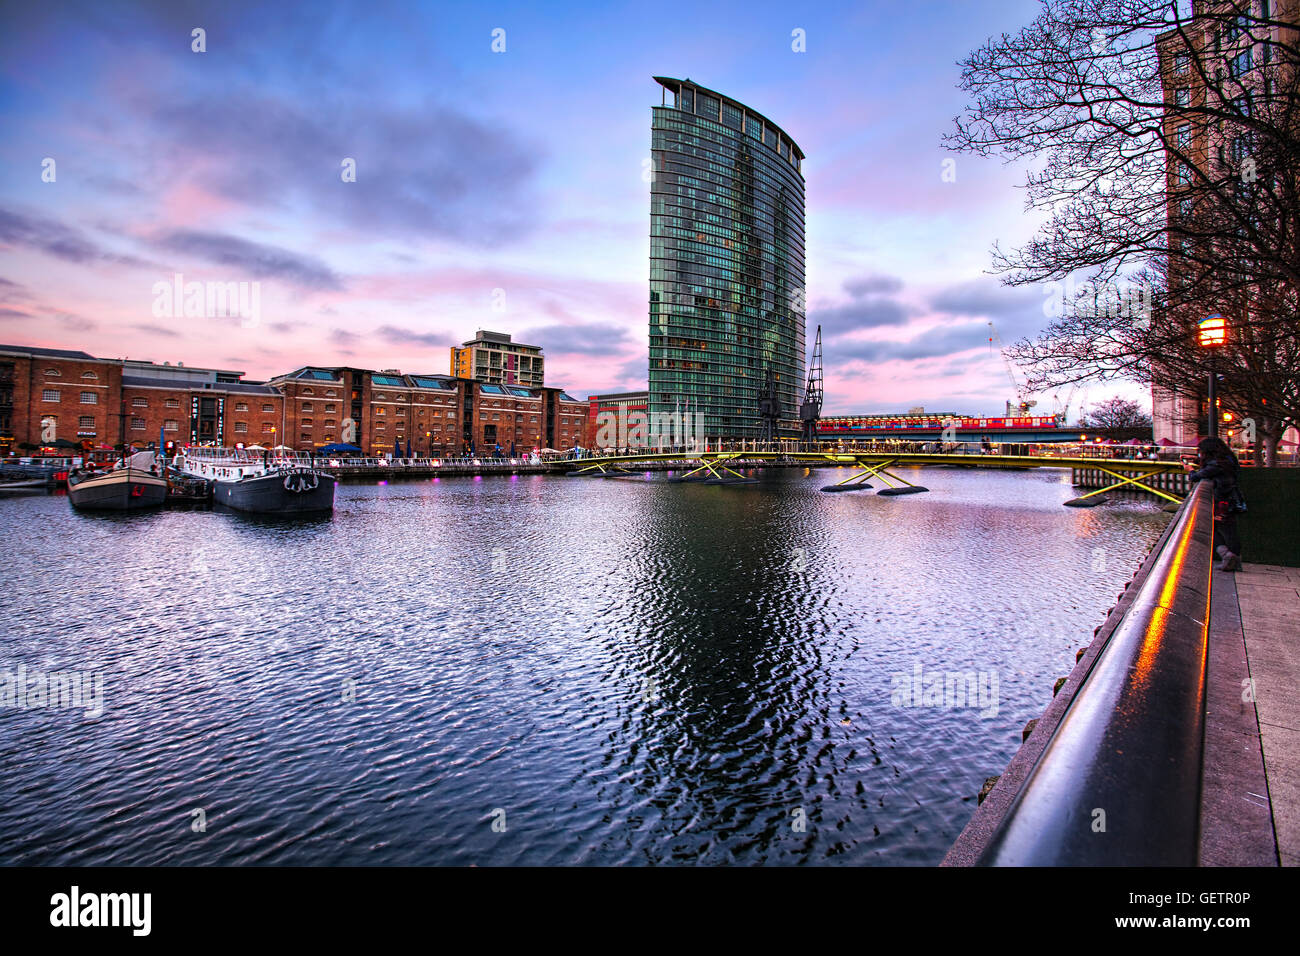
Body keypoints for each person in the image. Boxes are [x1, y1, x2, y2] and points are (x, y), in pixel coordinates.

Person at [1186, 436, 1244, 571]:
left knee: (1210, 528)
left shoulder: (1216, 465)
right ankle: (1235, 560)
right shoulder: (1229, 460)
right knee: (1231, 530)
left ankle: (1227, 556)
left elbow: (1195, 477)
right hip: (1232, 498)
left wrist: (1189, 469)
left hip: (1221, 500)